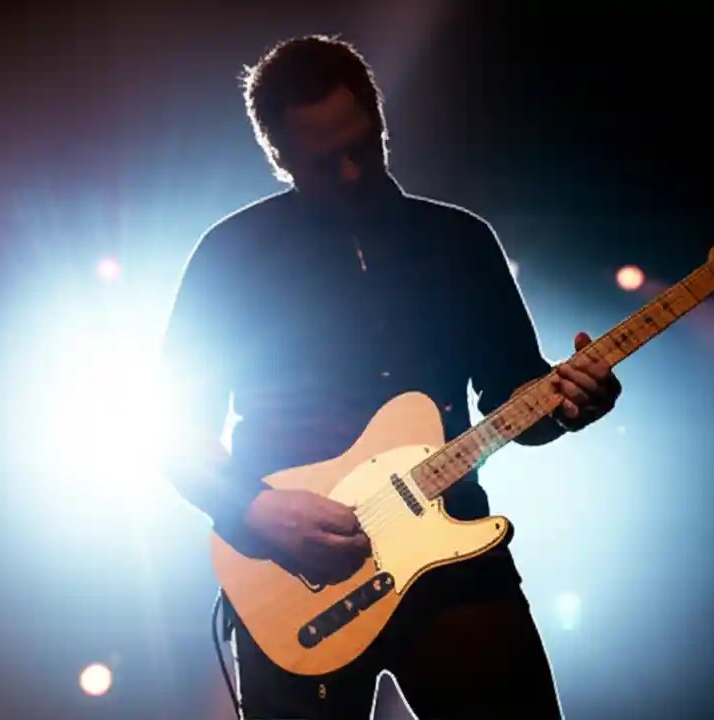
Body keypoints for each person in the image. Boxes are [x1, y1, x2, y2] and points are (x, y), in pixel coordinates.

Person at [156, 35, 621, 719]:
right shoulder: (230, 255)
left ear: (378, 121)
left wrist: (573, 403)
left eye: (363, 148)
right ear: (279, 156)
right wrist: (252, 508)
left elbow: (514, 397)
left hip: (452, 550)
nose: (351, 173)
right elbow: (169, 428)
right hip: (295, 574)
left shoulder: (460, 241)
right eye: (324, 161)